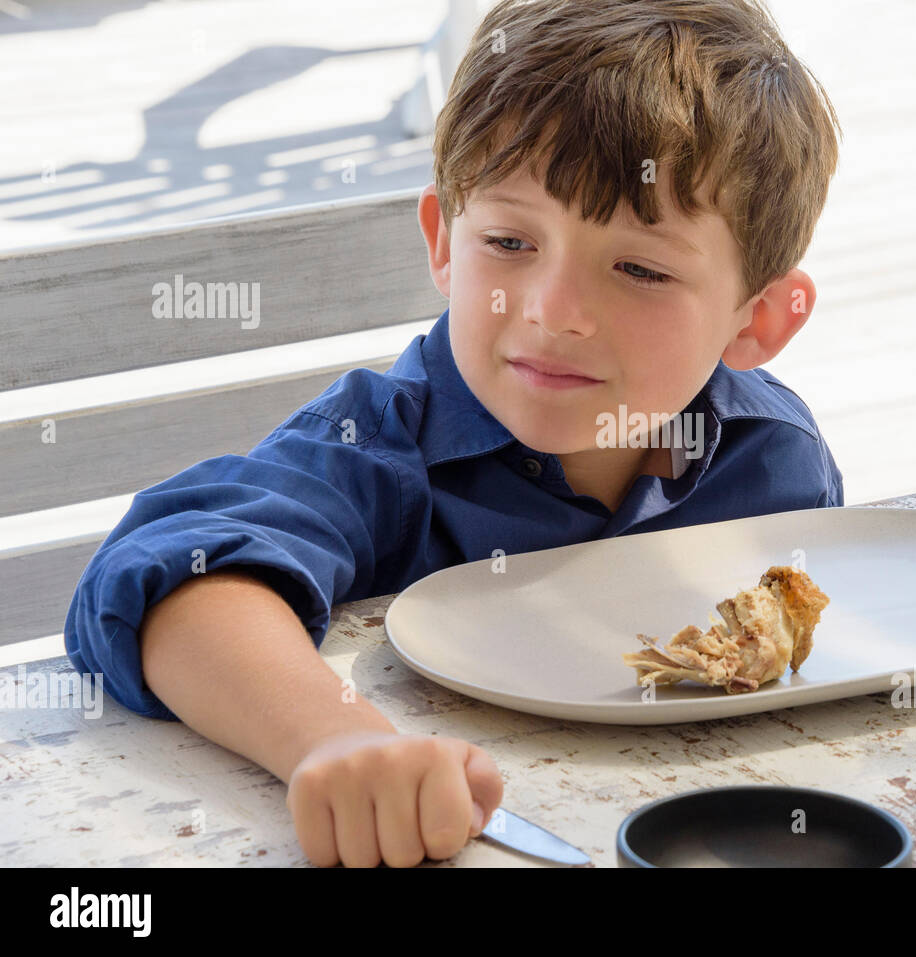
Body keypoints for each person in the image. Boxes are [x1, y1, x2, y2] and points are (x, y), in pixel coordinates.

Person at [64, 0, 844, 867]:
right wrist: (336, 738)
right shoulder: (378, 448)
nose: (552, 312)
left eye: (639, 267)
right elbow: (173, 580)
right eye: (510, 241)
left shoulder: (773, 462)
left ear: (759, 318)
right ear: (443, 242)